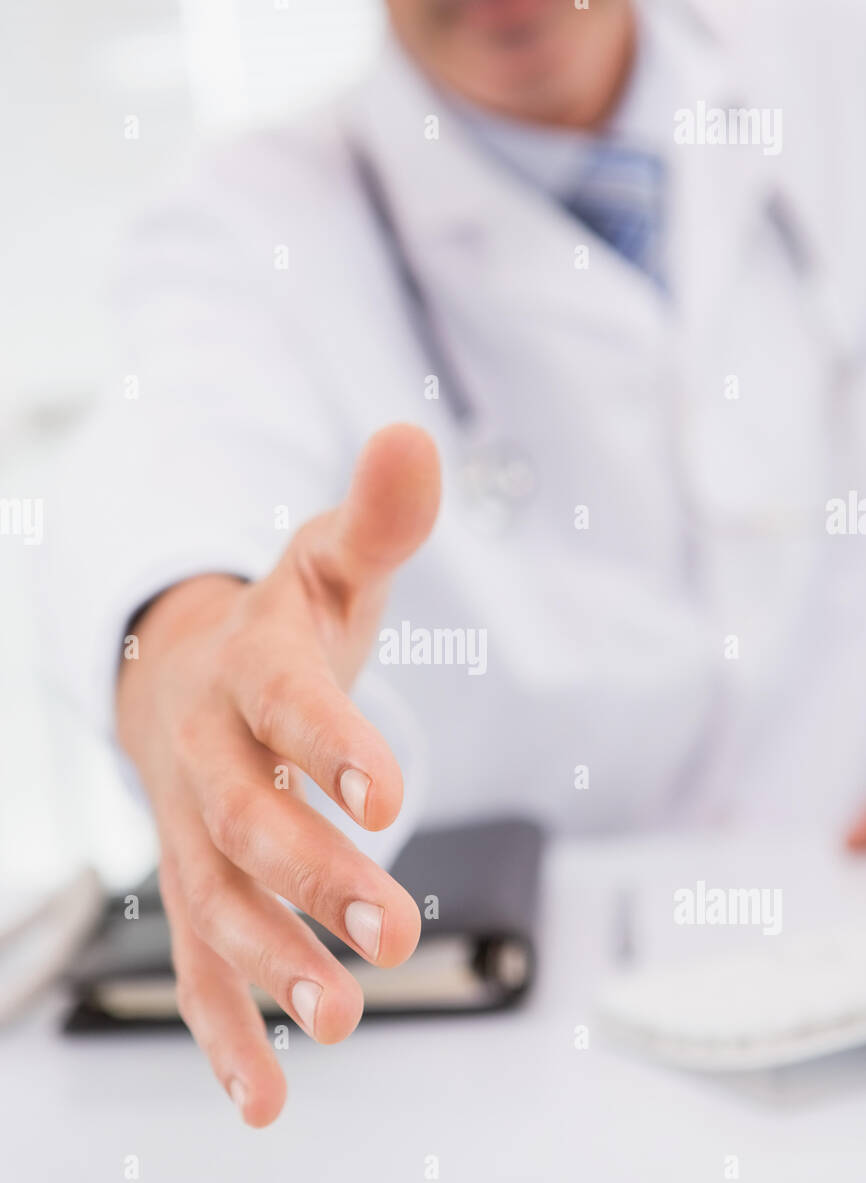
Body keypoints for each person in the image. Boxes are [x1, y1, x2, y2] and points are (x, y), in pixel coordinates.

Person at [42, 0, 866, 1124]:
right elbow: (169, 438)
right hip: (504, 1052)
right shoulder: (257, 214)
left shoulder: (820, 64)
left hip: (828, 933)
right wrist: (181, 633)